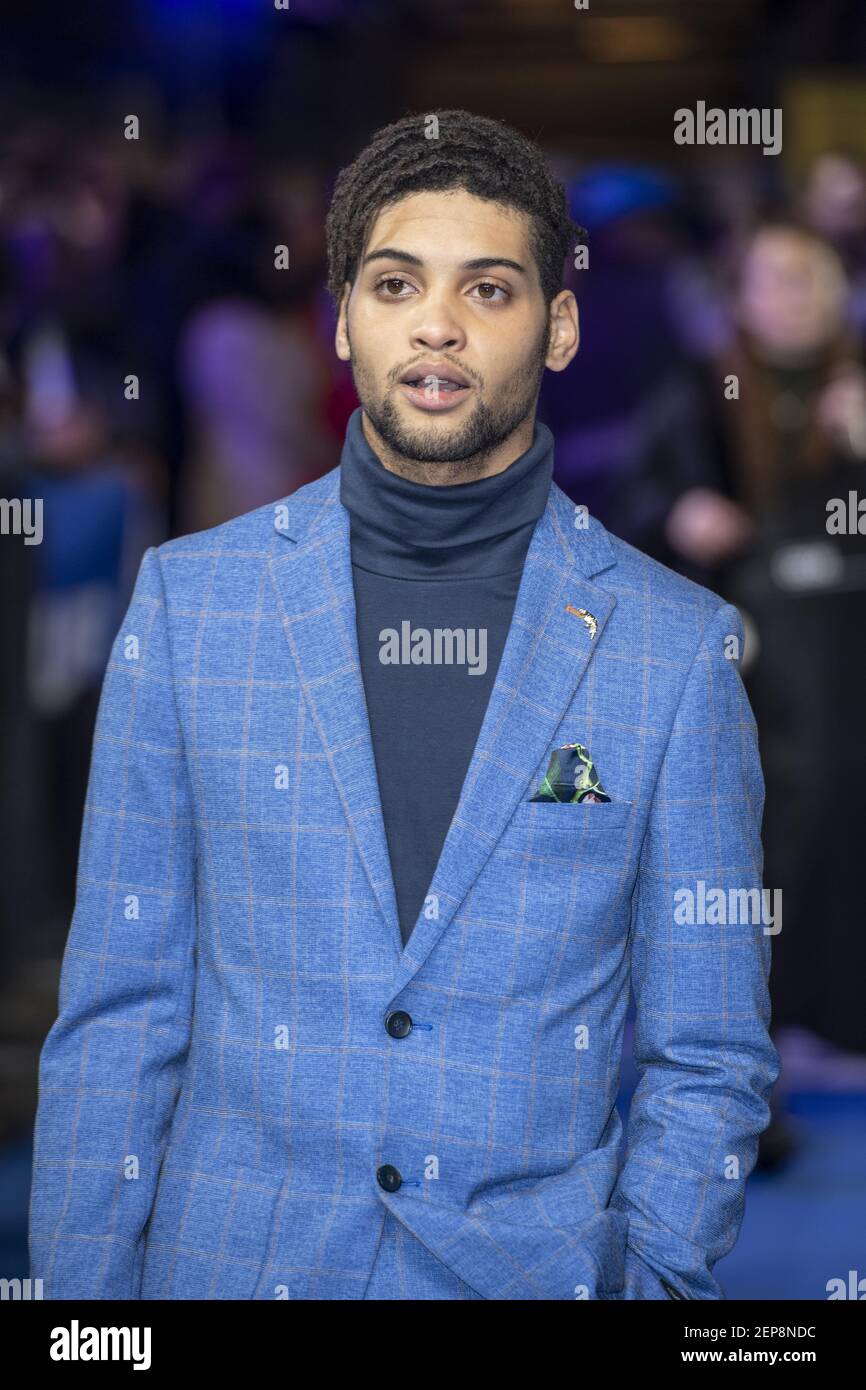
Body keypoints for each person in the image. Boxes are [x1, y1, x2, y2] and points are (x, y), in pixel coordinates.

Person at [29, 109, 779, 1301]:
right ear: (341, 320)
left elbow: (709, 1050)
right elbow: (118, 1015)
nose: (435, 324)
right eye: (394, 283)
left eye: (488, 289)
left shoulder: (672, 653)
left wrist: (652, 1278)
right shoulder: (189, 610)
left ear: (560, 326)